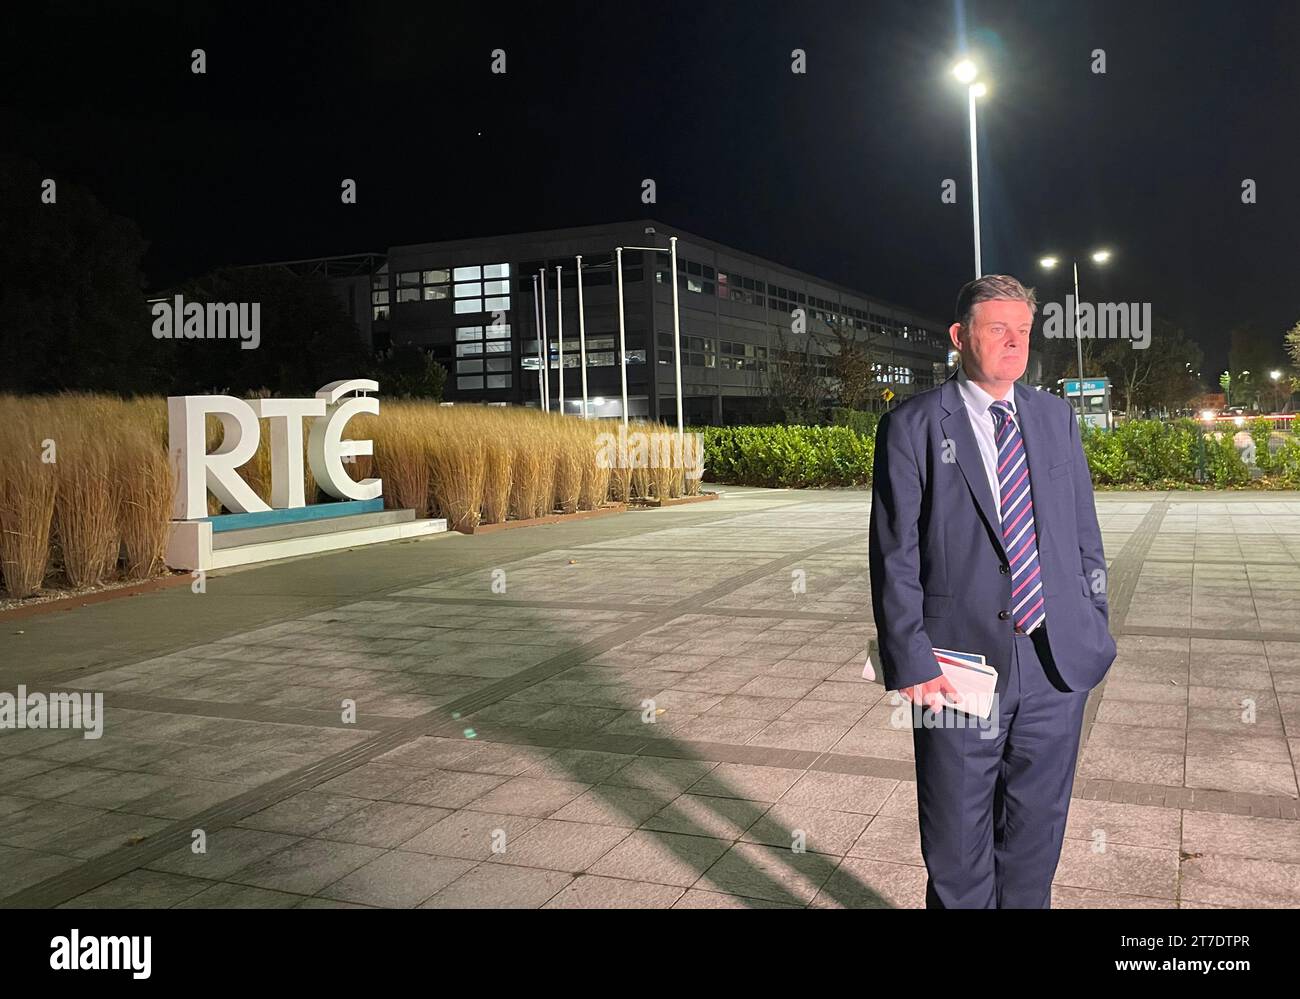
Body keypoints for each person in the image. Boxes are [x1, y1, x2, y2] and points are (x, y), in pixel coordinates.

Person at [868, 274, 1117, 908]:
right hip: (958, 669)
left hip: (1054, 665)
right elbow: (894, 552)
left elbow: (1082, 530)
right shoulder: (914, 425)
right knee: (956, 846)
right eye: (997, 328)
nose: (1014, 342)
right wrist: (911, 659)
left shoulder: (1053, 416)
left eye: (1024, 331)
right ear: (960, 337)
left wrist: (1092, 621)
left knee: (1036, 841)